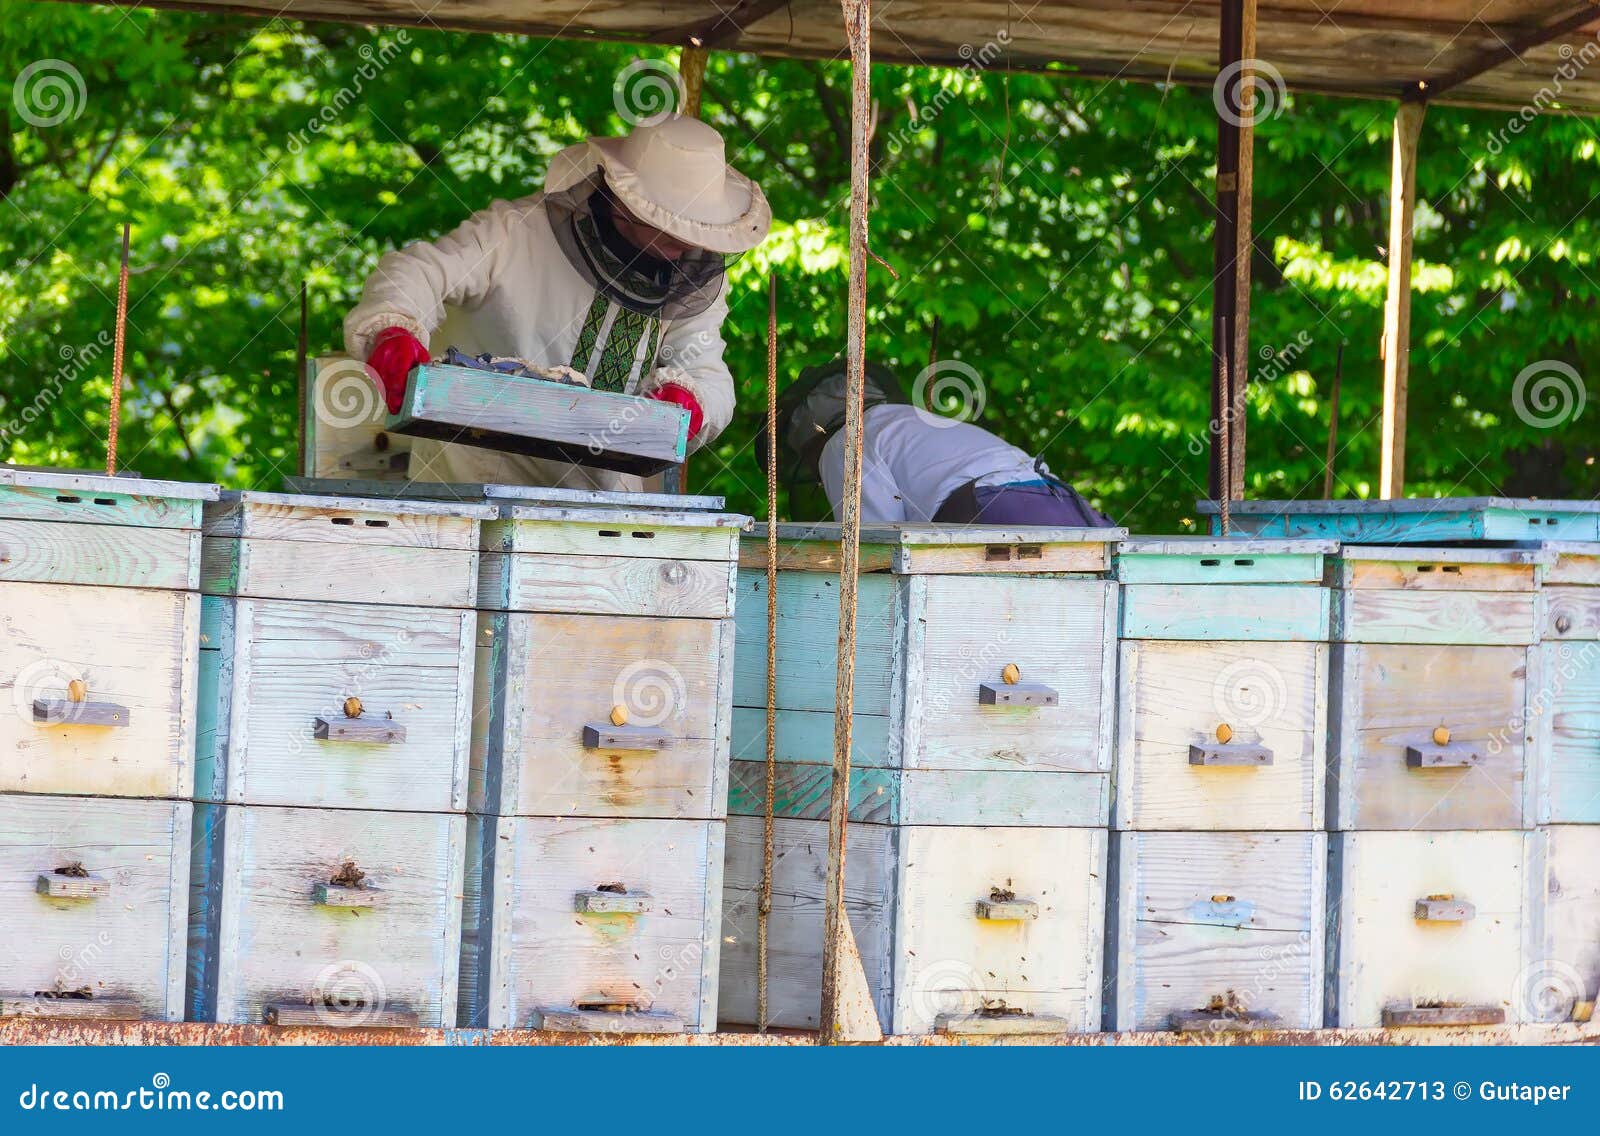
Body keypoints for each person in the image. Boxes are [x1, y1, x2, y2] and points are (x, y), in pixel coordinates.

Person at [343, 115, 770, 490]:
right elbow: (421, 271)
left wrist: (688, 402)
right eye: (670, 224)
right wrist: (392, 330)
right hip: (468, 495)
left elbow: (708, 376)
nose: (685, 243)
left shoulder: (686, 281)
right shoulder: (516, 233)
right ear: (625, 200)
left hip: (601, 517)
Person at [767, 359, 1116, 526]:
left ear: (815, 438)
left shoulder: (844, 442)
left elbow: (876, 540)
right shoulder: (907, 421)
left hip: (991, 512)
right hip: (1066, 506)